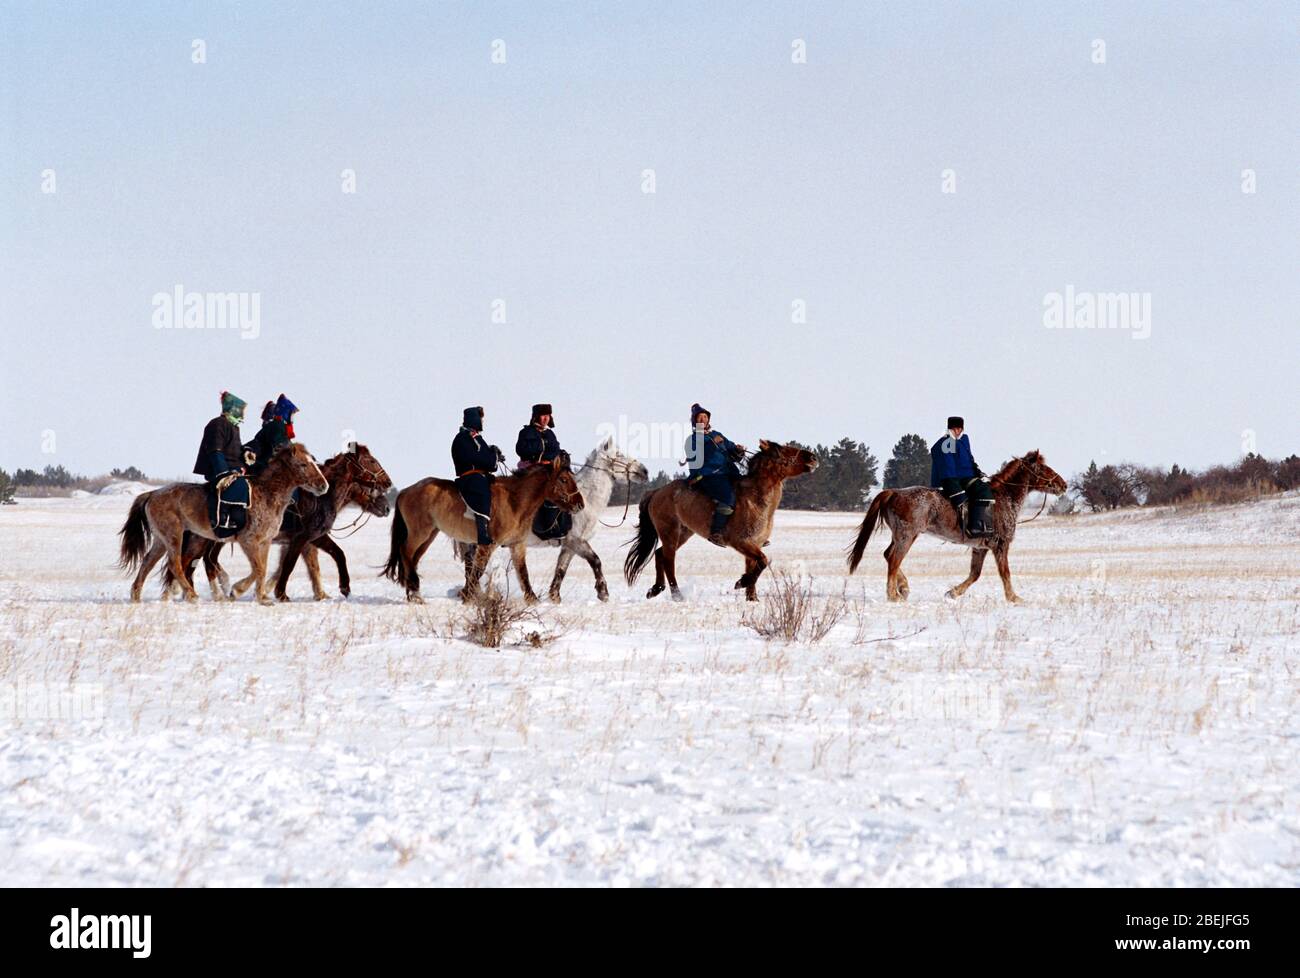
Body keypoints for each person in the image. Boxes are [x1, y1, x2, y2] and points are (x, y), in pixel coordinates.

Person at [684, 402, 746, 545]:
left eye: (705, 417)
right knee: (728, 499)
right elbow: (696, 457)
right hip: (710, 476)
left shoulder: (717, 434)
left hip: (730, 473)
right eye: (700, 417)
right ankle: (716, 532)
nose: (703, 419)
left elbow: (731, 449)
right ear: (695, 421)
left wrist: (738, 450)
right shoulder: (693, 439)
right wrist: (712, 445)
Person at [930, 416, 994, 536]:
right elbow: (947, 466)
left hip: (968, 476)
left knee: (989, 486)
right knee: (983, 490)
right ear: (950, 429)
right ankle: (975, 527)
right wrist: (955, 488)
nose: (958, 431)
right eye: (955, 429)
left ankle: (985, 522)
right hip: (955, 479)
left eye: (960, 429)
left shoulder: (964, 439)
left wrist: (979, 473)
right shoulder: (946, 443)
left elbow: (970, 459)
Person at [516, 403, 570, 540]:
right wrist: (539, 453)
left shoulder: (550, 433)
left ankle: (561, 524)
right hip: (531, 470)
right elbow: (521, 450)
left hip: (549, 469)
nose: (545, 418)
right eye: (543, 415)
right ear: (536, 417)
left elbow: (555, 450)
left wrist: (559, 455)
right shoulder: (526, 433)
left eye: (548, 415)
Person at [452, 406, 505, 546]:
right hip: (470, 477)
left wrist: (494, 452)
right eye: (480, 418)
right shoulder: (462, 438)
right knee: (481, 491)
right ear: (474, 419)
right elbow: (476, 457)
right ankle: (482, 533)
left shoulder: (476, 438)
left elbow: (484, 455)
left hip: (480, 475)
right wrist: (491, 457)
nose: (482, 421)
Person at [193, 391, 248, 485]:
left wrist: (247, 452)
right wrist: (223, 473)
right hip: (220, 474)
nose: (243, 415)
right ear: (234, 409)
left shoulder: (233, 426)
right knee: (239, 491)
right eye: (242, 410)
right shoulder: (218, 424)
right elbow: (215, 451)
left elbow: (233, 452)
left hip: (235, 472)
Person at [244, 394, 298, 475]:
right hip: (262, 468)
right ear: (286, 413)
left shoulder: (281, 427)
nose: (292, 418)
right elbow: (281, 447)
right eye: (292, 414)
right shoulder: (278, 426)